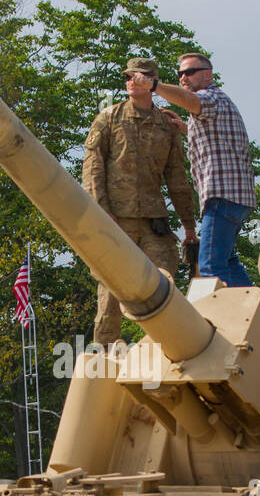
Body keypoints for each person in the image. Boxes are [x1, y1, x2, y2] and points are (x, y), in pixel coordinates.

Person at [82, 57, 197, 346]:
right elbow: (93, 166)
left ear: (152, 81)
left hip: (154, 221)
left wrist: (189, 227)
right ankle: (104, 355)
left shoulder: (166, 125)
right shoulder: (109, 117)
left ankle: (165, 351)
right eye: (128, 77)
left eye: (139, 76)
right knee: (112, 288)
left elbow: (176, 178)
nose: (132, 81)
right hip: (116, 219)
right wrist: (101, 210)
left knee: (164, 288)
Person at [130, 52, 255, 286]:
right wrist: (184, 127)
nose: (183, 77)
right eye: (180, 74)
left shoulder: (210, 97)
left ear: (208, 75)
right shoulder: (215, 103)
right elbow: (218, 139)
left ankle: (222, 321)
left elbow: (189, 100)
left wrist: (154, 86)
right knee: (227, 261)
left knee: (210, 267)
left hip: (222, 196)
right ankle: (259, 314)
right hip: (235, 198)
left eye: (190, 72)